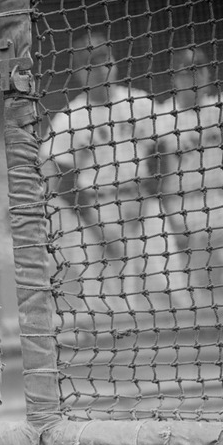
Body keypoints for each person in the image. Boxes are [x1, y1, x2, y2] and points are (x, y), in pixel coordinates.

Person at [38, 32, 160, 310]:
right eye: (88, 65)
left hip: (144, 204)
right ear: (79, 72)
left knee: (171, 282)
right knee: (101, 299)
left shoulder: (140, 104)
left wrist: (149, 196)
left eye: (103, 61)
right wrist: (97, 228)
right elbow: (62, 181)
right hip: (96, 208)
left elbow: (160, 154)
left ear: (114, 63)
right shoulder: (72, 117)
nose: (97, 70)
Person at [151, 45, 223, 307]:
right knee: (202, 280)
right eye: (187, 72)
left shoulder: (222, 109)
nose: (195, 77)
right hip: (183, 205)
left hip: (220, 201)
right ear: (175, 77)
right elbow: (154, 177)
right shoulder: (161, 118)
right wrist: (170, 217)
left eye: (199, 70)